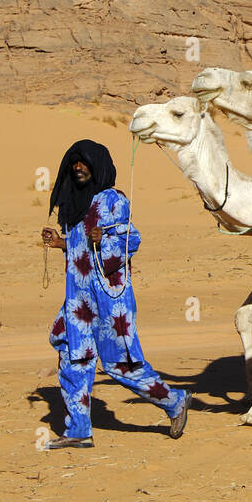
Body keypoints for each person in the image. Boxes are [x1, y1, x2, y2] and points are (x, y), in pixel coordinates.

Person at [41, 139, 191, 449]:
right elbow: (82, 250)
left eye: (84, 162)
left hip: (111, 299)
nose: (78, 168)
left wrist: (105, 236)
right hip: (79, 299)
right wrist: (60, 243)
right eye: (74, 163)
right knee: (72, 352)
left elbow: (130, 241)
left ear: (98, 166)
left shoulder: (113, 200)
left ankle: (174, 400)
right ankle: (79, 429)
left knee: (120, 364)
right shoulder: (75, 206)